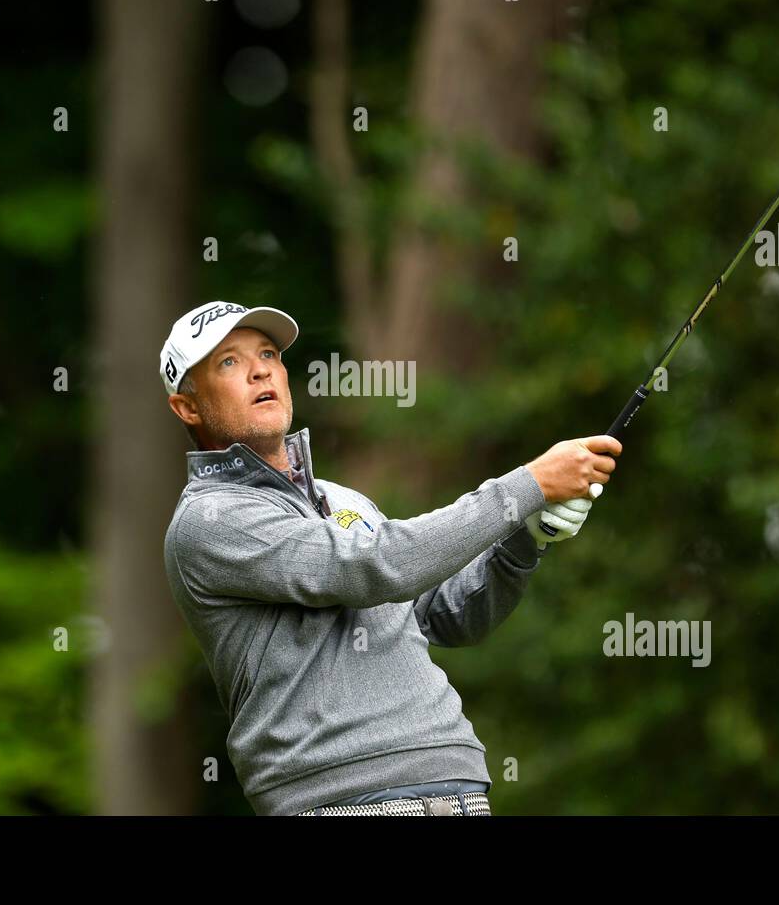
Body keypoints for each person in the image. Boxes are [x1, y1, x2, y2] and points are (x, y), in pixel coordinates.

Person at [160, 300, 621, 816]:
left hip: (459, 787)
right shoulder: (210, 520)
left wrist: (522, 537)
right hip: (341, 801)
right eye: (229, 362)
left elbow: (449, 616)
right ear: (188, 408)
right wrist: (526, 486)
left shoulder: (342, 499)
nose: (260, 368)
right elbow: (372, 567)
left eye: (268, 353)